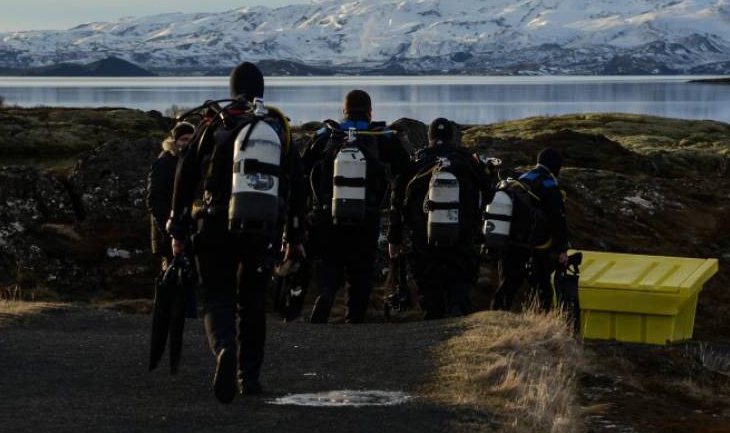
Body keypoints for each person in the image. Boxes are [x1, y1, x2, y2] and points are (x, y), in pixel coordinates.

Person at [167, 62, 305, 403]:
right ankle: (249, 377)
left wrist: (178, 227)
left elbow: (185, 173)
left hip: (214, 222)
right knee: (253, 300)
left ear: (231, 88)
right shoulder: (277, 127)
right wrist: (295, 237)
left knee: (218, 296)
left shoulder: (214, 121)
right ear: (262, 89)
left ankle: (224, 349)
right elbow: (297, 185)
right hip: (262, 227)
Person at [302, 89, 411, 324]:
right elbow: (405, 166)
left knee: (330, 263)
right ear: (370, 112)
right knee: (360, 270)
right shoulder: (381, 136)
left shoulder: (328, 134)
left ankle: (326, 299)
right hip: (367, 215)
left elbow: (304, 165)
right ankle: (355, 320)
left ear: (344, 110)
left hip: (329, 215)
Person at [393, 117, 492, 319]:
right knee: (461, 281)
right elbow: (488, 192)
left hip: (423, 236)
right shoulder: (468, 162)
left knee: (429, 285)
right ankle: (458, 316)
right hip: (462, 234)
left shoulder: (417, 161)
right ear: (451, 137)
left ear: (429, 137)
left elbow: (397, 197)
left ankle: (433, 321)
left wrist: (395, 236)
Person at [490, 148, 571, 319]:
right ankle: (543, 324)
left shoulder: (521, 179)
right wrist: (562, 249)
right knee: (542, 289)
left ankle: (492, 320)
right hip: (536, 249)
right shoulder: (549, 184)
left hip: (511, 243)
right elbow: (558, 219)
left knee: (508, 285)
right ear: (555, 166)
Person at [147, 121, 197, 316]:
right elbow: (154, 199)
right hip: (167, 232)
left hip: (182, 230)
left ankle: (178, 315)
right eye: (184, 139)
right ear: (174, 141)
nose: (187, 143)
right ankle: (172, 315)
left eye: (191, 139)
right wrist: (168, 229)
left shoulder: (187, 161)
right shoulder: (165, 162)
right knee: (172, 274)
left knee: (182, 276)